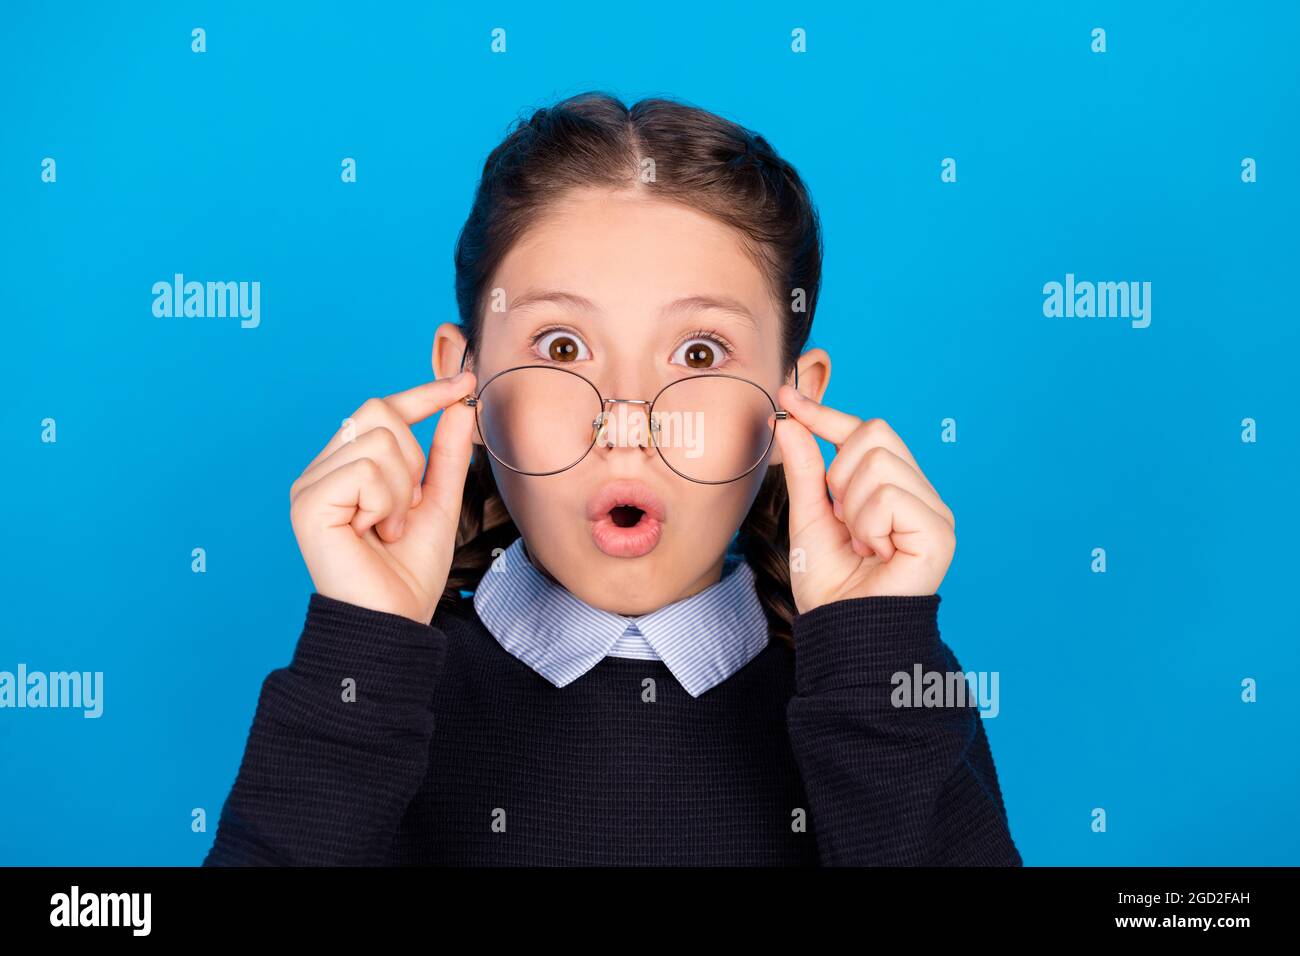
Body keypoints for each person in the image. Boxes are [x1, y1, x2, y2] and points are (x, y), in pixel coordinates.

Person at [204, 91, 1021, 866]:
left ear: (792, 406)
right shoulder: (371, 688)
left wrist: (875, 655)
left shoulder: (877, 692)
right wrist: (364, 647)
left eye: (700, 353)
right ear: (470, 381)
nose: (627, 424)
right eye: (561, 347)